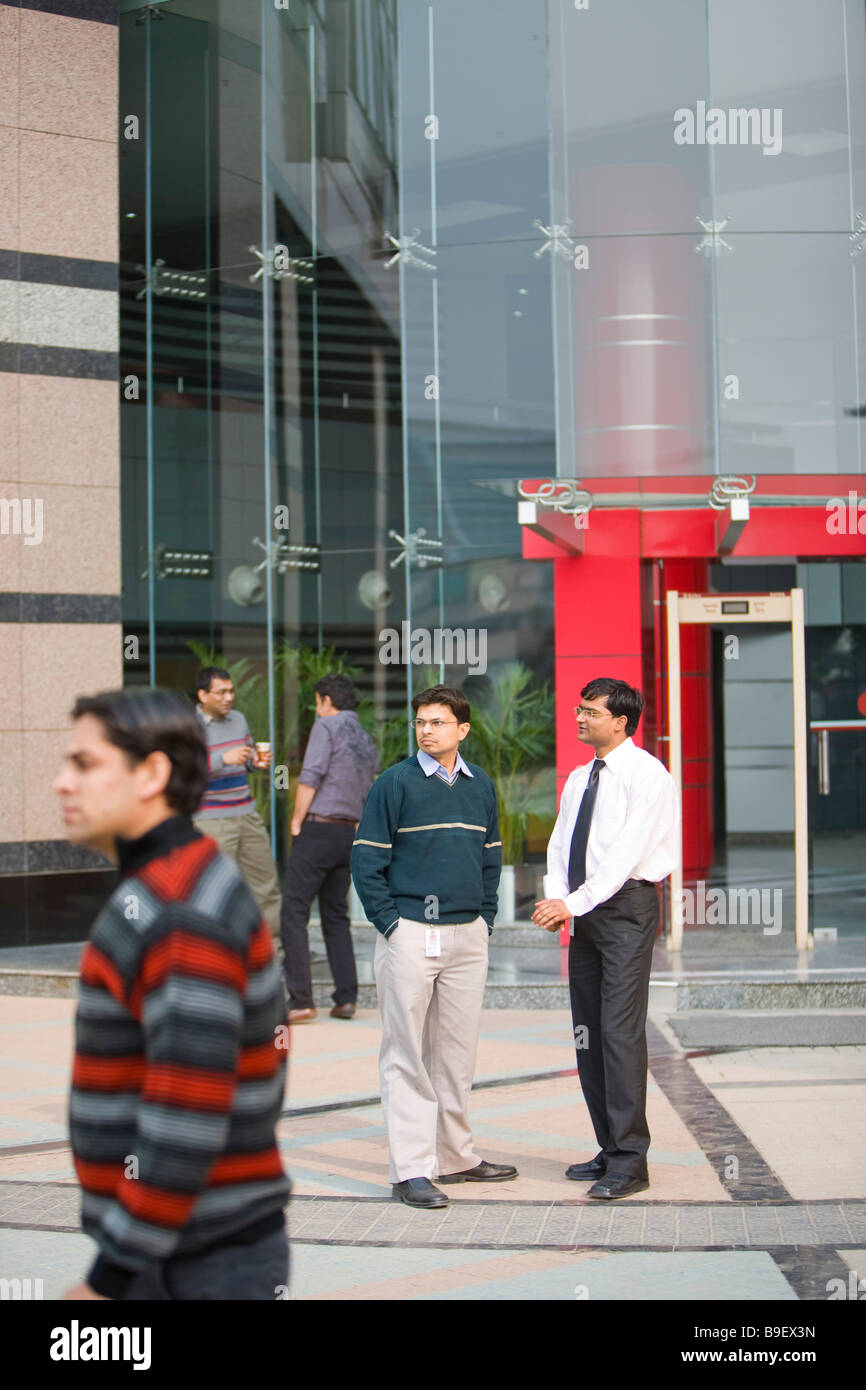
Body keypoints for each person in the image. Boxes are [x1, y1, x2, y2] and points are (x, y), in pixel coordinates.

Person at [53, 687, 291, 1300]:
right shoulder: (165, 885)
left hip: (196, 1261)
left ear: (152, 773)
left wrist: (108, 1280)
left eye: (84, 764)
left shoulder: (181, 907)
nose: (62, 783)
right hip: (179, 1251)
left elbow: (189, 1109)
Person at [351, 684, 518, 1209]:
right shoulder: (393, 783)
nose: (427, 730)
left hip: (468, 934)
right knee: (406, 1054)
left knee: (456, 1054)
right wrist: (391, 925)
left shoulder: (480, 785)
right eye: (421, 722)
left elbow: (491, 857)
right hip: (410, 932)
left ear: (463, 730)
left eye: (439, 722)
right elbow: (366, 860)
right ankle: (412, 1170)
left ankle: (456, 1157)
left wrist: (485, 919)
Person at [532, 677, 679, 1200]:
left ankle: (631, 1161)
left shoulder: (648, 776)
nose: (579, 717)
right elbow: (559, 843)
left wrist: (570, 903)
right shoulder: (579, 776)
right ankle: (609, 1145)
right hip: (585, 911)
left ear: (620, 720)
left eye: (590, 710)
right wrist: (559, 900)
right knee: (588, 1031)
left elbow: (623, 857)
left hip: (625, 910)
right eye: (579, 707)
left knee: (619, 1033)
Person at [280, 673, 380, 1023]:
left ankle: (301, 1000)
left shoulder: (325, 727)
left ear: (325, 700)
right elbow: (370, 787)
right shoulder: (365, 737)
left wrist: (295, 821)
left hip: (319, 828)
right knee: (336, 915)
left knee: (292, 911)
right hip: (348, 834)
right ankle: (346, 998)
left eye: (317, 701)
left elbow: (311, 774)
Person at [192, 666, 282, 936]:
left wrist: (254, 761)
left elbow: (247, 754)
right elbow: (183, 770)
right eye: (221, 692)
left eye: (231, 691)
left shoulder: (238, 720)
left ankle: (270, 956)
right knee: (214, 891)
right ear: (203, 695)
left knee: (266, 887)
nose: (228, 697)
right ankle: (214, 958)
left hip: (247, 814)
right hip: (210, 821)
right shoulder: (187, 727)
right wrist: (222, 759)